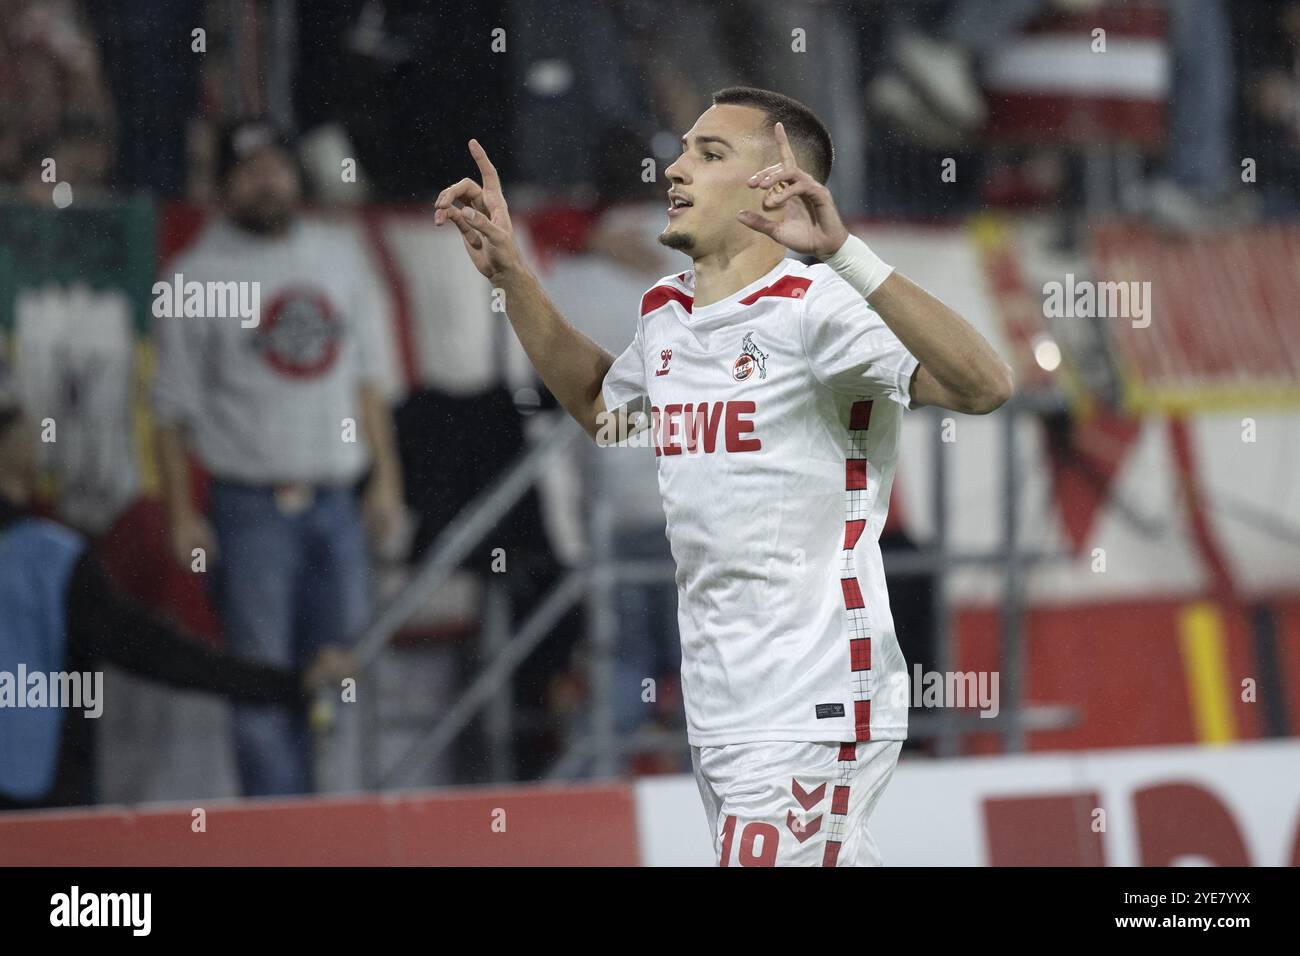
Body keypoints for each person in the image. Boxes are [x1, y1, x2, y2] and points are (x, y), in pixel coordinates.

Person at [433, 86, 1012, 866]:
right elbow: (605, 410)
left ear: (773, 185)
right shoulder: (668, 315)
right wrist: (511, 273)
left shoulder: (820, 310)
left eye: (708, 154)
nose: (674, 169)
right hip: (723, 703)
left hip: (814, 693)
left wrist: (845, 251)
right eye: (681, 150)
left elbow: (985, 386)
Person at [152, 118, 404, 796]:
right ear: (225, 184)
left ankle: (335, 831)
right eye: (250, 169)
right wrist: (182, 515)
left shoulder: (340, 255)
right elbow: (169, 413)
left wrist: (386, 484)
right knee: (261, 686)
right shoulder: (195, 274)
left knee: (343, 682)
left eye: (277, 167)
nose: (267, 181)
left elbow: (369, 381)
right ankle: (276, 839)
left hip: (336, 501)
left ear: (297, 176)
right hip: (248, 509)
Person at [0, 385, 354, 811]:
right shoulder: (50, 560)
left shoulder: (50, 558)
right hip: (36, 816)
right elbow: (160, 654)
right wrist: (291, 682)